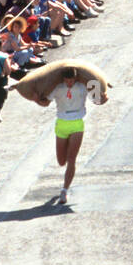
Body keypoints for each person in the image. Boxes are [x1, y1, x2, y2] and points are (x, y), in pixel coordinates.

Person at [33, 65, 106, 205]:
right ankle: (65, 181)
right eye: (67, 81)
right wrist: (36, 99)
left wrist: (104, 97)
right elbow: (45, 103)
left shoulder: (82, 87)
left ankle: (64, 191)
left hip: (77, 124)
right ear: (63, 79)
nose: (69, 83)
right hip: (61, 124)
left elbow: (98, 101)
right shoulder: (57, 88)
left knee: (71, 159)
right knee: (61, 161)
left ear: (75, 78)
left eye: (71, 80)